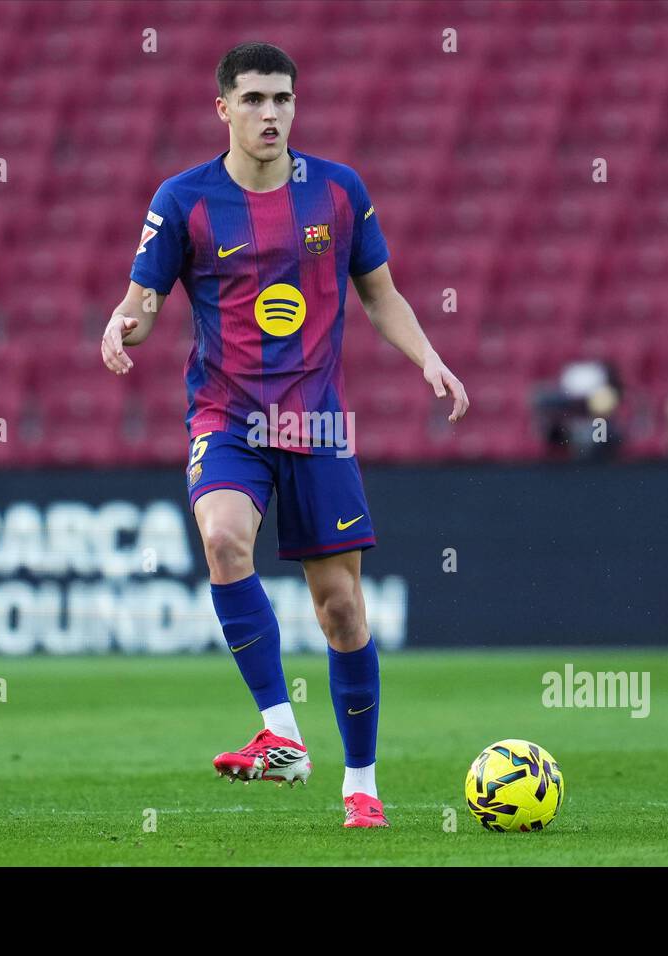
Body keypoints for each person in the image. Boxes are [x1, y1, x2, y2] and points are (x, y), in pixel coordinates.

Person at [99, 42, 468, 828]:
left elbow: (381, 295)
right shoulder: (184, 200)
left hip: (316, 423)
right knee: (223, 539)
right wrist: (122, 324)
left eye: (283, 99)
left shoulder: (337, 191)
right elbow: (144, 299)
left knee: (341, 610)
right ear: (223, 108)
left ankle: (361, 785)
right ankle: (283, 734)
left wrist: (429, 358)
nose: (271, 113)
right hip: (227, 416)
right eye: (255, 99)